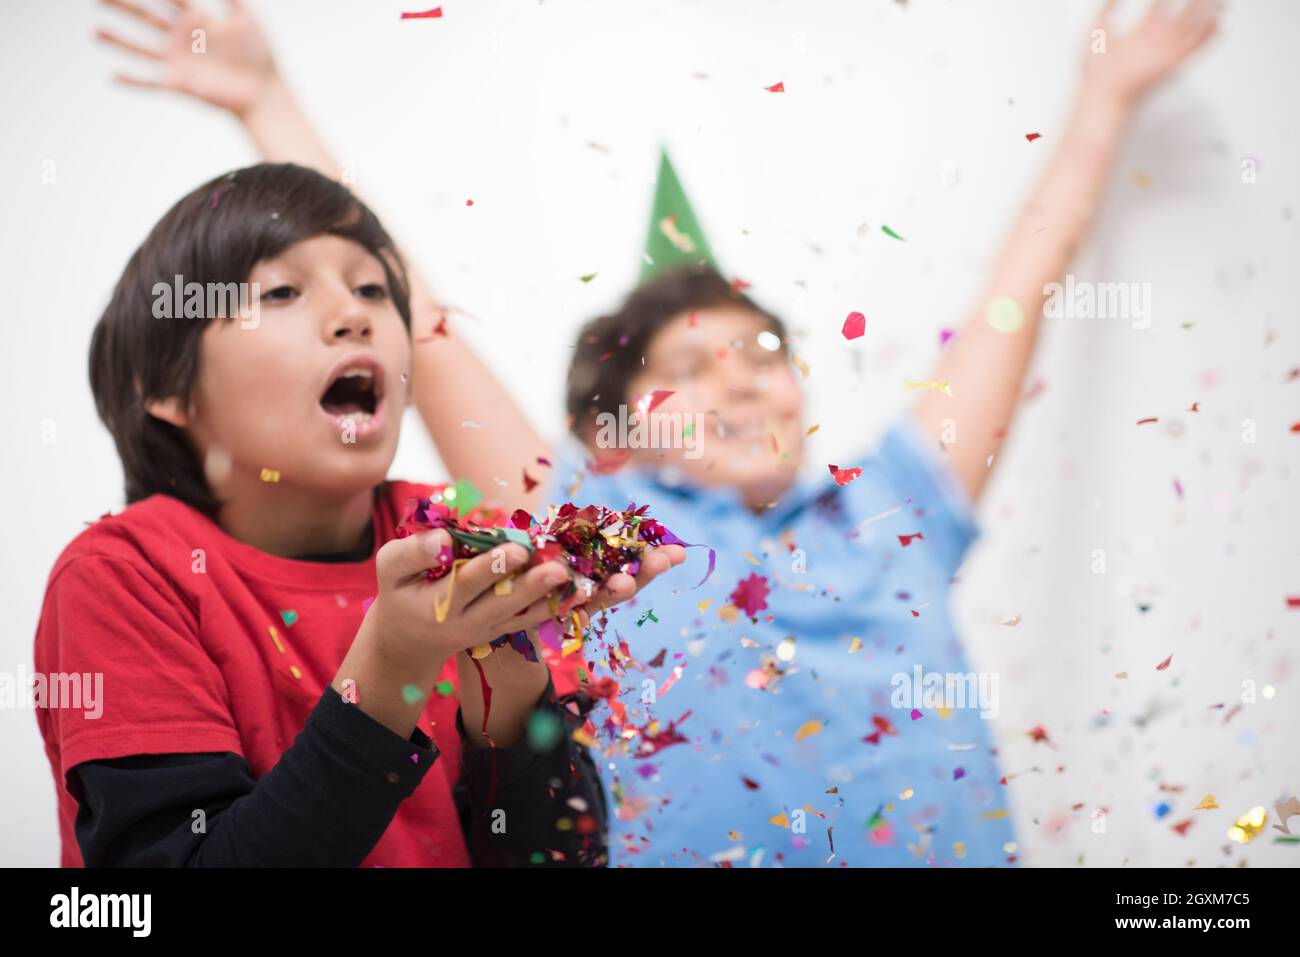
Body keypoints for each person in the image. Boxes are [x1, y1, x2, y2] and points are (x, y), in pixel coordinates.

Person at [95, 0, 1219, 865]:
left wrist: (1103, 100)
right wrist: (266, 97)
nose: (746, 385)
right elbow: (403, 313)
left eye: (766, 356)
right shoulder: (593, 526)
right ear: (613, 432)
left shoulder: (896, 505)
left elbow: (1012, 301)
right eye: (690, 368)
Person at [34, 160, 683, 867]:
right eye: (281, 290)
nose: (355, 314)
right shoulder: (124, 576)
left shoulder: (466, 537)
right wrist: (391, 665)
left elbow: (561, 855)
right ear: (164, 384)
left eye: (373, 287)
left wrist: (508, 696)